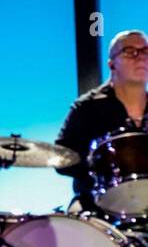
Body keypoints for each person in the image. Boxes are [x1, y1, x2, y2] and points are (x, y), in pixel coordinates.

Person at [56, 29, 148, 211]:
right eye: (130, 51)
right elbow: (61, 158)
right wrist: (99, 167)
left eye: (145, 51)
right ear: (112, 64)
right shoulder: (87, 108)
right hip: (96, 205)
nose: (140, 57)